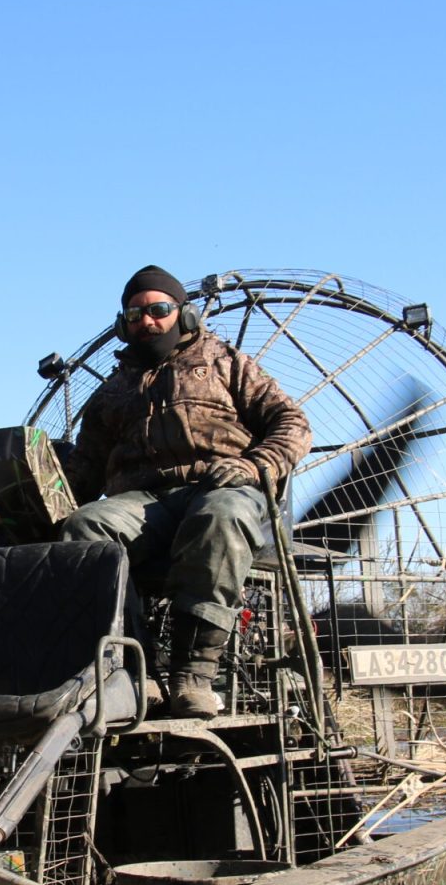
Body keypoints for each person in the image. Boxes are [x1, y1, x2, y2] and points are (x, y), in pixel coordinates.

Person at [59, 265, 312, 718]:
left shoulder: (226, 362)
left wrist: (255, 464)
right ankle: (133, 673)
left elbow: (291, 423)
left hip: (222, 486)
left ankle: (193, 674)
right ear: (122, 324)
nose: (147, 321)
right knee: (85, 527)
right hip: (146, 503)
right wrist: (14, 508)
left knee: (220, 516)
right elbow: (83, 471)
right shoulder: (111, 392)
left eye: (158, 309)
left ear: (185, 314)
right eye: (134, 314)